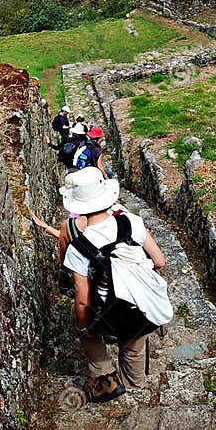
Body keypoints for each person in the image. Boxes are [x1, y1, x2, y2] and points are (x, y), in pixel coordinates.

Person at [60, 168, 166, 403]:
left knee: (79, 320)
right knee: (134, 342)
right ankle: (135, 386)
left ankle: (105, 374)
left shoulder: (78, 248)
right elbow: (159, 261)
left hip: (103, 312)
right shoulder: (132, 223)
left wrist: (82, 327)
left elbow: (82, 300)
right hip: (136, 307)